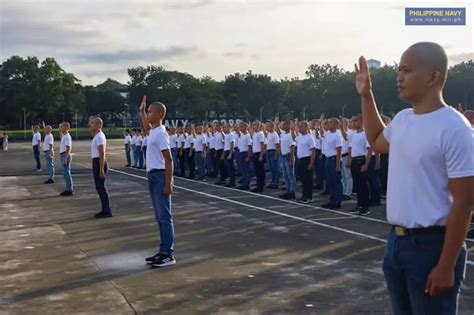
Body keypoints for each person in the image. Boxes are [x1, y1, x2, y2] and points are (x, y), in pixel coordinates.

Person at [356, 42, 473, 314]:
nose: (399, 77)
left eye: (407, 70)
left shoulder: (454, 128)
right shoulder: (404, 119)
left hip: (432, 247)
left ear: (433, 76)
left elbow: (464, 202)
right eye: (398, 70)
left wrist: (446, 266)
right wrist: (366, 96)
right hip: (397, 243)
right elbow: (376, 140)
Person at [138, 96, 176, 268]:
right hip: (152, 176)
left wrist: (169, 183)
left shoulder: (161, 133)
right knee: (159, 217)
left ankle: (168, 254)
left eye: (150, 111)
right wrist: (141, 112)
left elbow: (169, 160)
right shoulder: (154, 131)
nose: (148, 113)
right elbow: (146, 127)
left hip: (160, 176)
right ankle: (162, 251)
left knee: (165, 216)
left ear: (160, 114)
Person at [347, 115, 371, 216]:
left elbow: (369, 150)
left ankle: (365, 207)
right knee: (357, 185)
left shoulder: (366, 134)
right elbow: (351, 148)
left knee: (363, 185)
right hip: (354, 161)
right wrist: (350, 160)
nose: (354, 123)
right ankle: (359, 204)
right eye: (353, 121)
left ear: (362, 121)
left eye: (356, 121)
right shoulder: (353, 134)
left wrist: (366, 164)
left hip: (361, 160)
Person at [89, 117, 112, 218]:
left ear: (98, 125)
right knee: (99, 187)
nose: (91, 124)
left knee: (101, 187)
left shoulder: (99, 136)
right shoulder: (97, 136)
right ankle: (105, 209)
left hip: (99, 162)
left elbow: (102, 153)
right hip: (96, 161)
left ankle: (106, 210)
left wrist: (101, 168)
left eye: (93, 123)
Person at [279, 120, 297, 200]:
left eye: (286, 125)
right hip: (283, 156)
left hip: (288, 156)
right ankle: (288, 190)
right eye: (283, 125)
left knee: (290, 175)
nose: (284, 126)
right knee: (285, 175)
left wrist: (291, 159)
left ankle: (292, 191)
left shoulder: (291, 135)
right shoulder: (283, 134)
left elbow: (292, 147)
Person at [59, 122, 74, 196]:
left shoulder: (67, 136)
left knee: (67, 173)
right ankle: (68, 188)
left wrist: (65, 158)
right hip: (63, 154)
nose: (61, 128)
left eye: (62, 127)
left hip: (65, 155)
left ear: (66, 128)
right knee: (65, 173)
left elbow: (68, 148)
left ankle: (69, 189)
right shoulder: (64, 136)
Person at [251, 121, 266, 193]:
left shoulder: (260, 134)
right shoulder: (254, 134)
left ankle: (260, 187)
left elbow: (262, 145)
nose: (253, 126)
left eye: (255, 125)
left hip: (258, 154)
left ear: (259, 126)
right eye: (253, 125)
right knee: (257, 171)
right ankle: (258, 185)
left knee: (260, 171)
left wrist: (261, 155)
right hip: (255, 153)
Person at [237, 122, 253, 190]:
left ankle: (247, 183)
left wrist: (248, 156)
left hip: (245, 153)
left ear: (246, 127)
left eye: (242, 127)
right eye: (239, 127)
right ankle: (244, 182)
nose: (240, 128)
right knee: (243, 169)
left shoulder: (247, 135)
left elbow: (249, 146)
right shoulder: (242, 135)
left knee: (246, 169)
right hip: (241, 153)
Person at [265, 122, 280, 189]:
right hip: (268, 151)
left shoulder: (275, 134)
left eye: (268, 126)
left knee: (274, 168)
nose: (266, 128)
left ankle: (276, 182)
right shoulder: (268, 134)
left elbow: (277, 145)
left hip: (273, 151)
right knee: (271, 168)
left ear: (271, 127)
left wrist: (276, 155)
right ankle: (273, 181)